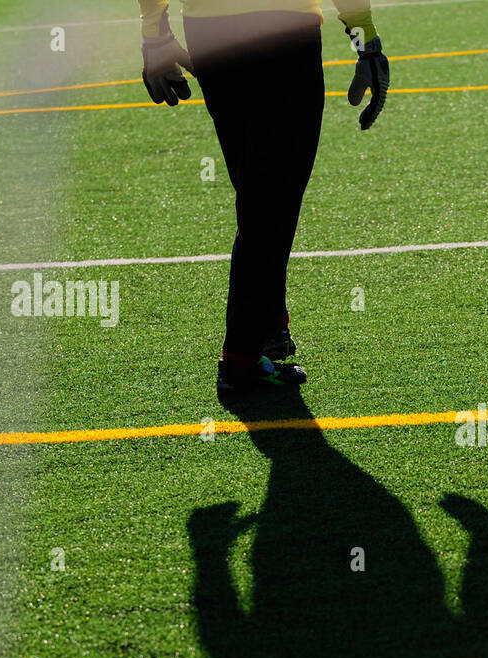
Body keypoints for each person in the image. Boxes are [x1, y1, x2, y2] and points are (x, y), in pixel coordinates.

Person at [137, 0, 389, 394]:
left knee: (258, 190)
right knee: (271, 197)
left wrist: (156, 35)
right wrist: (364, 38)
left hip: (209, 33)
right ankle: (241, 358)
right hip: (283, 31)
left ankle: (269, 325)